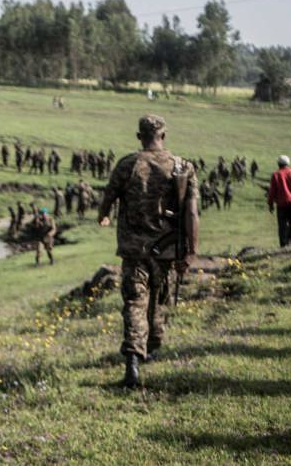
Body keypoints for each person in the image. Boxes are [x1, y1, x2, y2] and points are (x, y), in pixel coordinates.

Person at [97, 115, 198, 389]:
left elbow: (108, 198)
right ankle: (153, 347)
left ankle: (133, 360)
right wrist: (189, 253)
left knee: (134, 302)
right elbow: (190, 213)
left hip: (134, 249)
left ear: (139, 137)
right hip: (165, 250)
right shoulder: (182, 167)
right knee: (159, 299)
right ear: (163, 136)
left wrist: (103, 215)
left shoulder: (128, 165)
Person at [267, 155, 291, 247]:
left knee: (282, 225)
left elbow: (272, 191)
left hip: (281, 204)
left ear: (279, 164)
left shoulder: (276, 175)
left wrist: (270, 204)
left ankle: (283, 244)